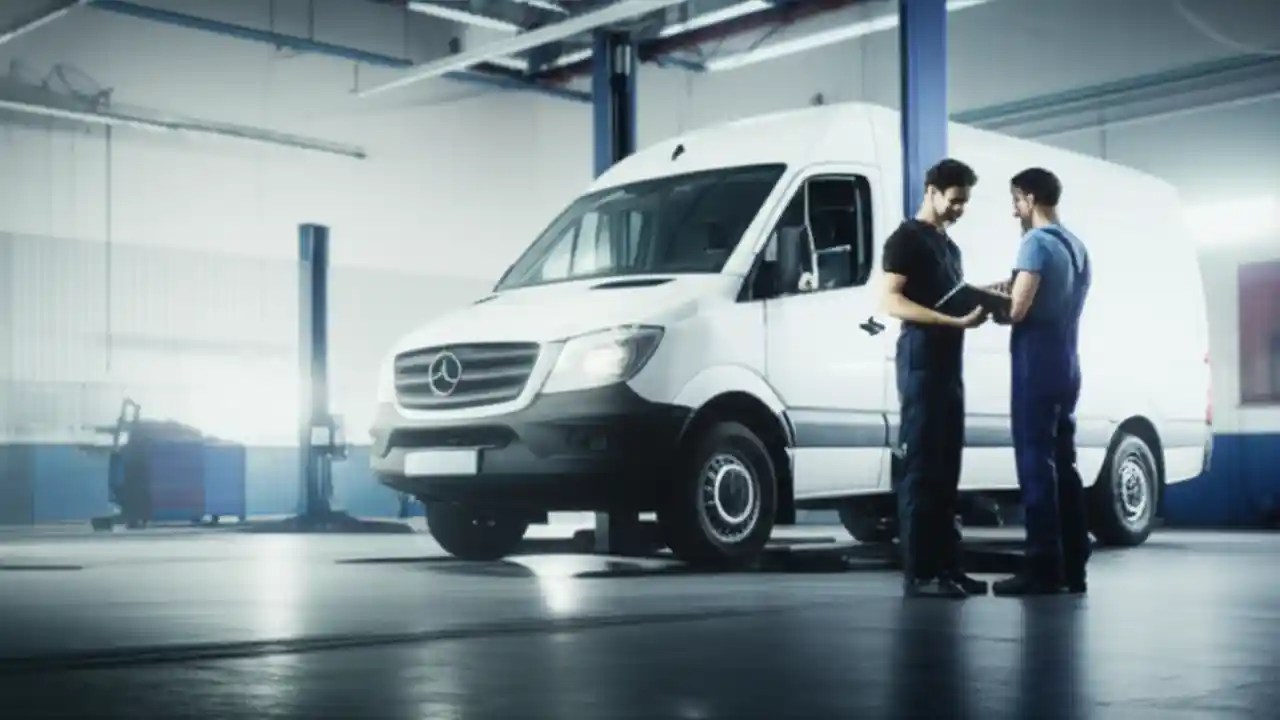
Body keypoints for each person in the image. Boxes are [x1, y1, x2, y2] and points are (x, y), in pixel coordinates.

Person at [881, 158, 990, 599]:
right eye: (955, 200)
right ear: (932, 190)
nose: (960, 209)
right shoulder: (904, 239)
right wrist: (949, 322)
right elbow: (890, 301)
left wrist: (987, 300)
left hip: (949, 363)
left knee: (947, 468)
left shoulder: (950, 247)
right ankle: (921, 574)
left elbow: (953, 298)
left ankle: (948, 567)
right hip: (922, 359)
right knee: (922, 468)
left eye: (965, 202)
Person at [990, 167, 1093, 596]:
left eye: (1016, 201)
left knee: (1035, 468)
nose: (1014, 210)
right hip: (1067, 366)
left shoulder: (1033, 243)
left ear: (1029, 199)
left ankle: (1041, 567)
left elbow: (1017, 310)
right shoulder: (1078, 246)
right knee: (1064, 467)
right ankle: (1073, 566)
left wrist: (986, 303)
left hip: (1035, 367)